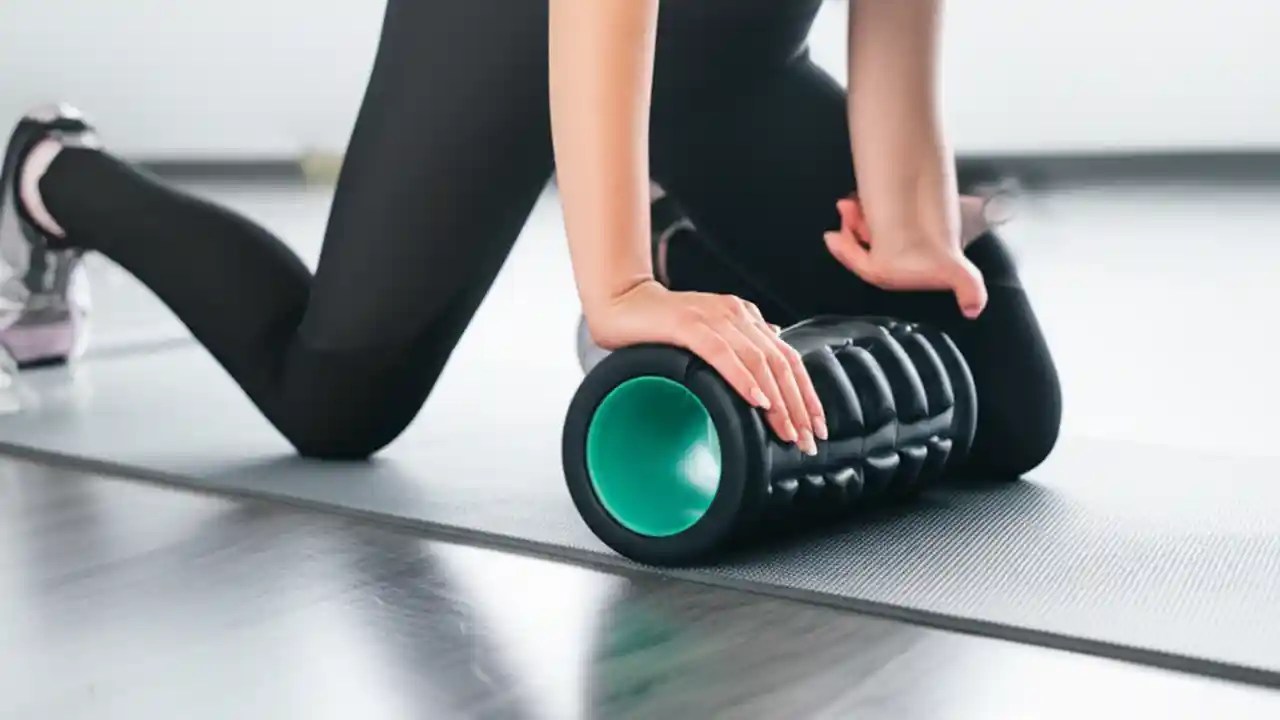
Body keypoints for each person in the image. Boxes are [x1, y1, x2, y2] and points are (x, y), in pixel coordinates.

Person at [0, 0, 1060, 476]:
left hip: (729, 61)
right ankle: (55, 176)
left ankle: (679, 236)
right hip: (513, 30)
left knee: (1003, 406)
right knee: (333, 407)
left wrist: (911, 213)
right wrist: (619, 288)